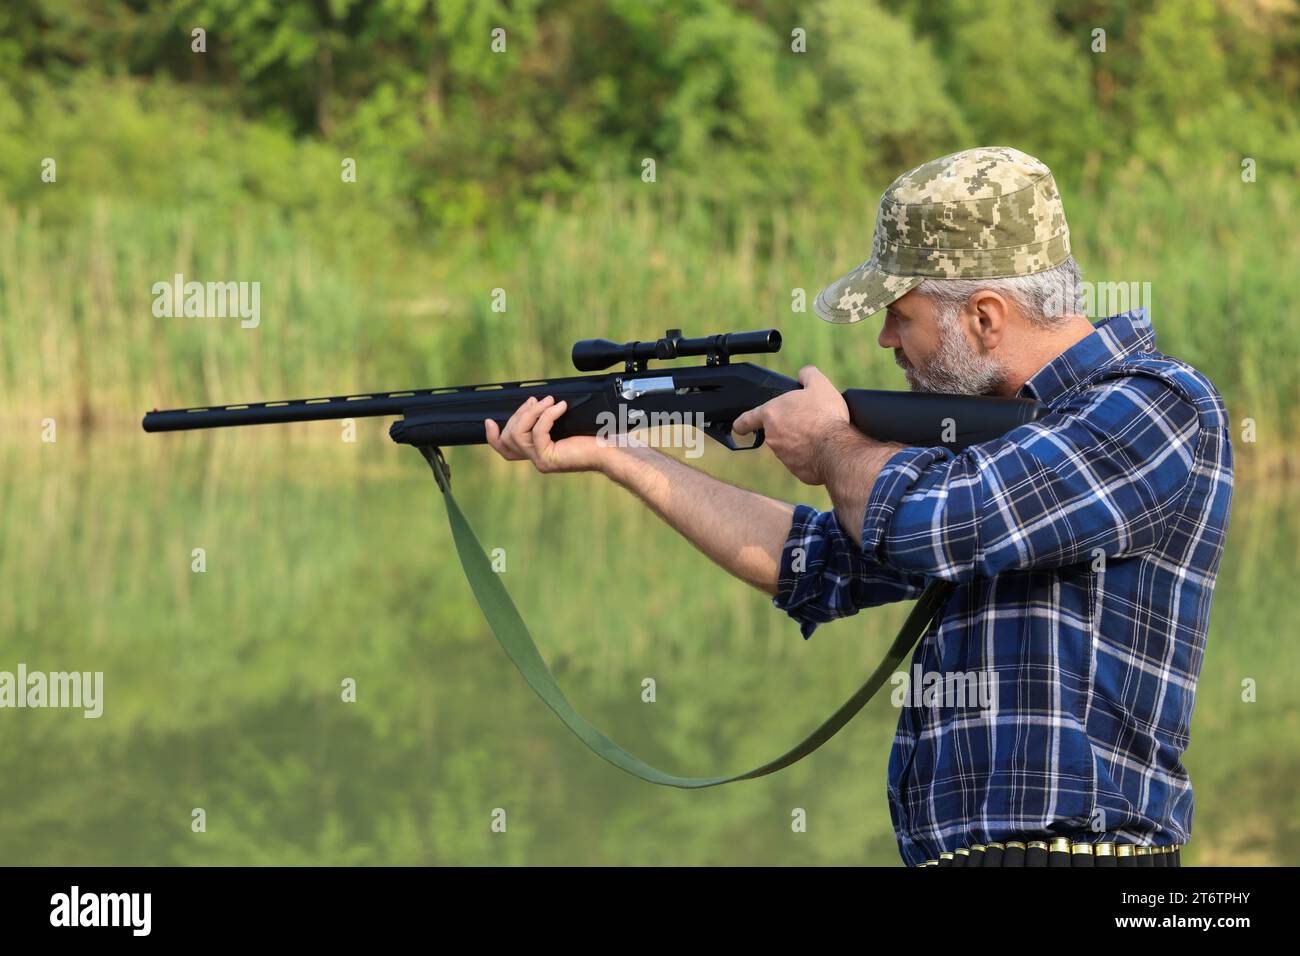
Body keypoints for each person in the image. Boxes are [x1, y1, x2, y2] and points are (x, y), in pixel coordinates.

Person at [483, 147, 1234, 868]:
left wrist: (833, 445)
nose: (884, 340)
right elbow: (814, 565)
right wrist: (622, 454)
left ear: (985, 316)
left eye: (900, 316)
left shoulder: (1156, 407)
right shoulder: (977, 449)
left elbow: (941, 525)